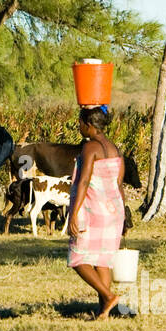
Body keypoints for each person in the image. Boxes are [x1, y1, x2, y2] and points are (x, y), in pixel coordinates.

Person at [64, 104, 127, 319]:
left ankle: (108, 296)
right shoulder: (114, 149)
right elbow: (119, 184)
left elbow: (83, 182)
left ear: (89, 125)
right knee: (102, 261)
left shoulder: (90, 147)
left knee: (77, 258)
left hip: (94, 210)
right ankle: (103, 310)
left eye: (81, 123)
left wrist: (73, 213)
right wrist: (125, 215)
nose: (79, 126)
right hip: (114, 211)